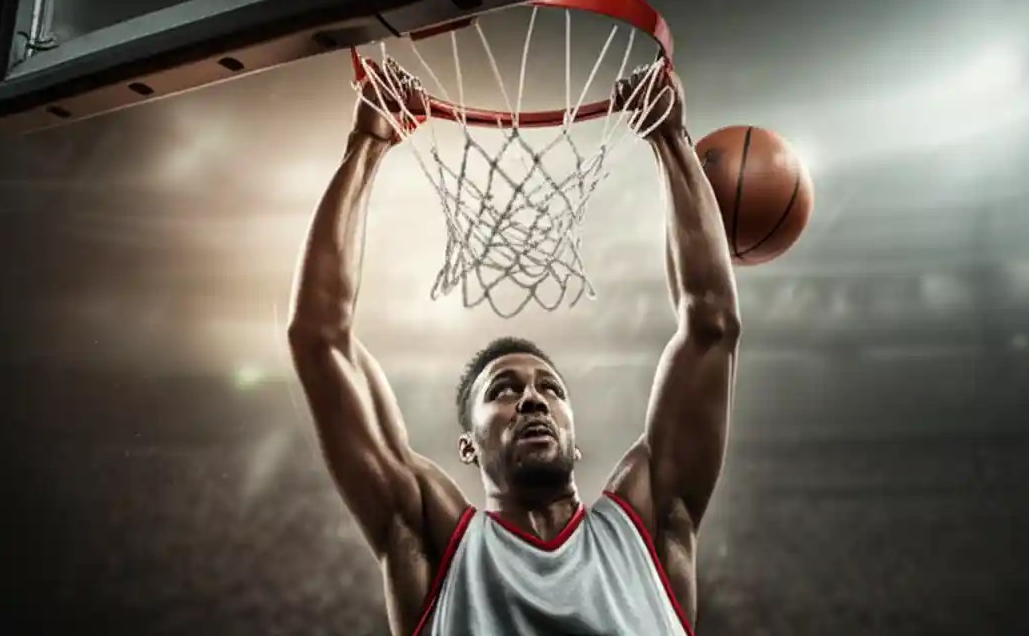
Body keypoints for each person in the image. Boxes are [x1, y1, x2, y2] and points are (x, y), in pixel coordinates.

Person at [287, 57, 740, 635]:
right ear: (467, 446)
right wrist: (367, 145)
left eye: (550, 388)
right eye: (503, 390)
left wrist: (670, 138)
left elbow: (711, 324)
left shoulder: (646, 528)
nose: (532, 398)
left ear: (575, 438)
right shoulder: (433, 544)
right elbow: (319, 338)